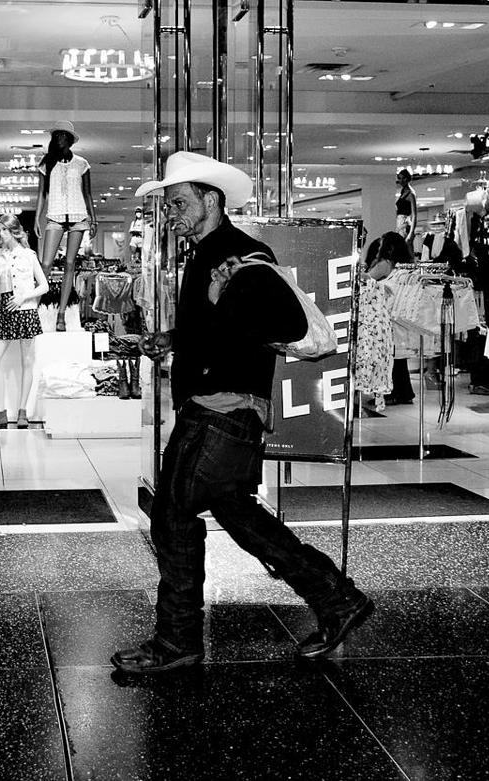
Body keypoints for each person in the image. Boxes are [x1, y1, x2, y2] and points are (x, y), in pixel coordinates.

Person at [110, 151, 373, 675]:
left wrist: (226, 302)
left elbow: (279, 321)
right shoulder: (210, 254)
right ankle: (337, 598)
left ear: (212, 199)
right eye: (169, 207)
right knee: (238, 516)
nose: (173, 215)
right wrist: (175, 338)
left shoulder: (239, 254)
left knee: (173, 516)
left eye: (180, 204)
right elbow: (220, 328)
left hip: (221, 410)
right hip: (221, 408)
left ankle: (176, 641)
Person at [0, 215, 48, 430]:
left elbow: (43, 285)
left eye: (5, 230)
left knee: (27, 362)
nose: (1, 234)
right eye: (0, 230)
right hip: (4, 309)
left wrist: (23, 297)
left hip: (24, 309)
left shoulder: (28, 255)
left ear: (14, 231)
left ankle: (23, 411)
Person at [35, 120, 98, 331]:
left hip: (79, 216)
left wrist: (93, 219)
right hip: (54, 216)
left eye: (63, 135)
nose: (60, 138)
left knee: (70, 264)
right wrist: (37, 218)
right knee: (45, 264)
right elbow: (41, 195)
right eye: (57, 135)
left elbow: (88, 194)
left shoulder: (82, 163)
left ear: (70, 139)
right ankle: (34, 309)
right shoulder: (46, 163)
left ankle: (61, 314)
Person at [356, 232, 411, 409]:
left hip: (383, 313)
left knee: (386, 355)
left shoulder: (385, 264)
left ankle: (393, 392)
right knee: (398, 357)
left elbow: (368, 278)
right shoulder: (406, 266)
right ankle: (404, 392)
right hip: (400, 312)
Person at [395, 168, 417, 253]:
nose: (401, 180)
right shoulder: (403, 192)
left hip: (405, 223)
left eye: (403, 178)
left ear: (407, 178)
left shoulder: (411, 193)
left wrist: (411, 233)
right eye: (399, 178)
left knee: (405, 250)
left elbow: (414, 215)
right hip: (400, 223)